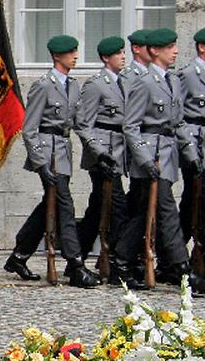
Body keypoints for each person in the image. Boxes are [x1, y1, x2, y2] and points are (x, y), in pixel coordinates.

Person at [3, 35, 100, 288]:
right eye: (70, 52)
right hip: (47, 153)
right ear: (57, 56)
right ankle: (76, 264)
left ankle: (19, 255)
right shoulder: (44, 86)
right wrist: (40, 163)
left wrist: (100, 148)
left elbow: (80, 124)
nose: (76, 56)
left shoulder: (73, 86)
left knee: (51, 202)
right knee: (65, 205)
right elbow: (29, 129)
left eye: (76, 51)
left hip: (63, 152)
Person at [116, 28, 204, 295]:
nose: (175, 51)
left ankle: (121, 261)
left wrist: (192, 154)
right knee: (167, 211)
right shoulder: (144, 82)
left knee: (144, 212)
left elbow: (178, 123)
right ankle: (183, 269)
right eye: (169, 47)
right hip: (150, 155)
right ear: (155, 51)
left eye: (175, 46)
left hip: (167, 153)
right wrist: (143, 160)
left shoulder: (172, 81)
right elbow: (130, 126)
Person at [74, 36, 138, 287]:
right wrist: (99, 153)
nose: (123, 56)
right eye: (118, 53)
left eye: (124, 52)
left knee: (96, 209)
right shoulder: (95, 85)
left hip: (119, 152)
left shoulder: (123, 82)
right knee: (117, 208)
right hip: (102, 156)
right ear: (105, 58)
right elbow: (83, 125)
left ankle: (76, 256)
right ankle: (117, 264)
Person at [178, 28, 205, 247]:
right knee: (192, 199)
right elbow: (177, 115)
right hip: (194, 141)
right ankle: (176, 254)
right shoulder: (188, 74)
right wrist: (188, 146)